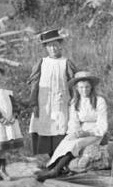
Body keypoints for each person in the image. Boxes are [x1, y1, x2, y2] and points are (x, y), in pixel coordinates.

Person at [35, 71, 108, 181]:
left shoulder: (99, 101)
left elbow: (102, 123)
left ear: (91, 87)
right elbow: (74, 121)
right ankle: (52, 167)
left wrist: (88, 133)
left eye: (87, 87)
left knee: (77, 144)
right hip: (81, 130)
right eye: (81, 87)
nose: (84, 90)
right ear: (77, 88)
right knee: (67, 141)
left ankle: (55, 171)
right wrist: (76, 132)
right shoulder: (75, 102)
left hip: (95, 131)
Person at [26, 28, 76, 159]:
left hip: (61, 102)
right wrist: (34, 103)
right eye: (50, 46)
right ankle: (51, 159)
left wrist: (74, 98)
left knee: (61, 129)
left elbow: (74, 82)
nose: (53, 49)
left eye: (55, 45)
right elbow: (34, 84)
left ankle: (60, 161)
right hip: (44, 103)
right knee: (47, 129)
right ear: (46, 48)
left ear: (60, 45)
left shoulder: (66, 63)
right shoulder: (42, 63)